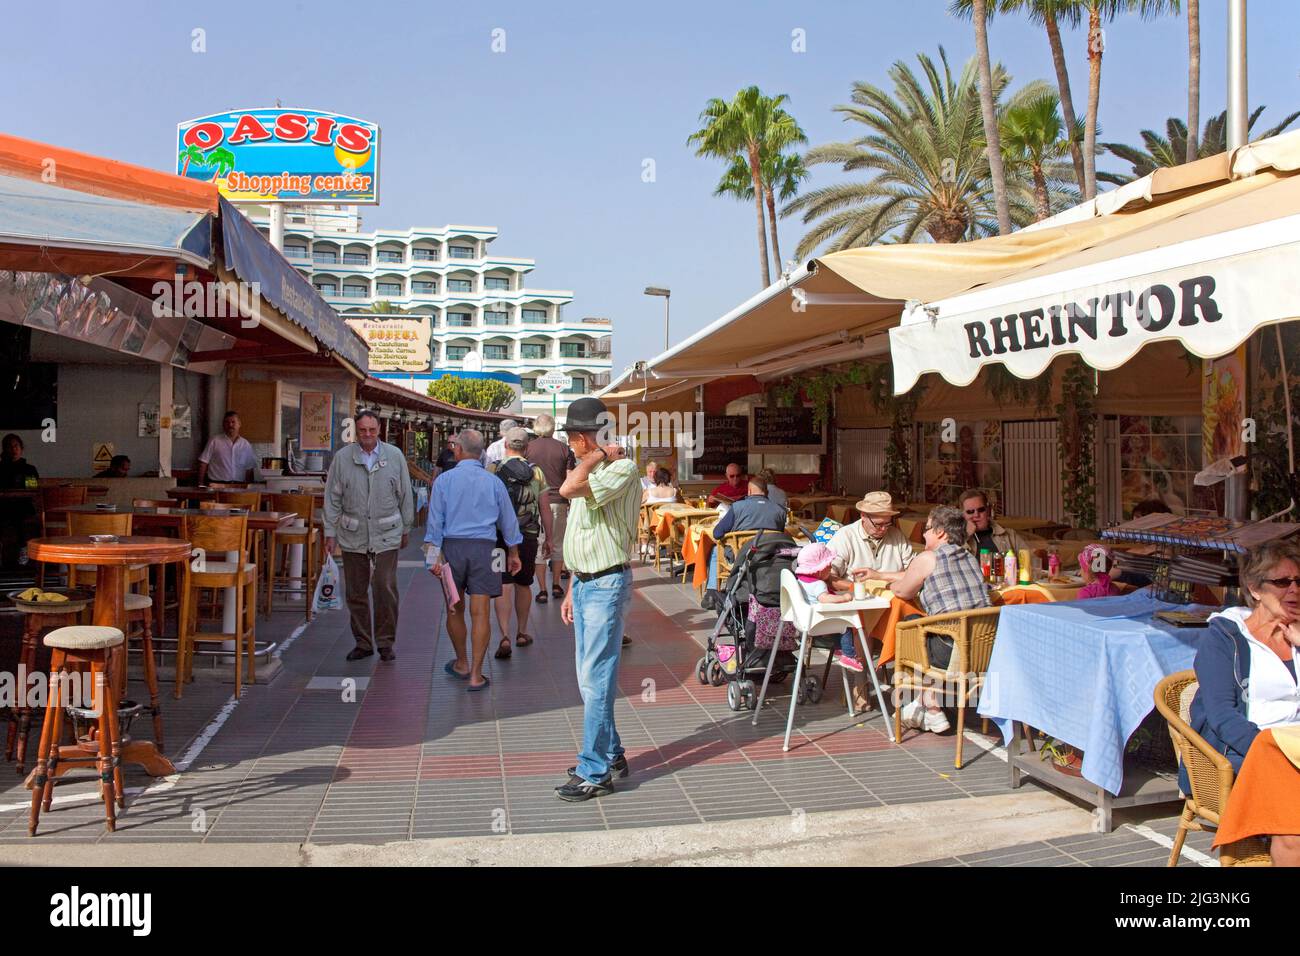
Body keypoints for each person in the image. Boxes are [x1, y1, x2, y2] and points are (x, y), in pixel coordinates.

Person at [1191, 538, 1300, 866]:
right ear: (1254, 589)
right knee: (1294, 834)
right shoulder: (1225, 638)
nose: (1294, 590)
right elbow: (1223, 716)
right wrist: (1272, 749)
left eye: (1299, 581)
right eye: (1282, 582)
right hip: (1253, 751)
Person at [555, 397, 640, 802]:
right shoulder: (596, 466)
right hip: (588, 583)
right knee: (590, 679)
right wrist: (573, 586)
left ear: (588, 437)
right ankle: (612, 753)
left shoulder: (621, 468)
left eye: (573, 439)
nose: (571, 448)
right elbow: (582, 533)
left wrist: (598, 456)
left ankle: (595, 770)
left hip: (607, 584)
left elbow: (567, 487)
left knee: (597, 679)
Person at [873, 505, 991, 734]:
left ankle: (928, 705)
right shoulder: (970, 556)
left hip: (950, 651)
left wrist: (888, 584)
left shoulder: (928, 557)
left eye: (926, 529)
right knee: (927, 628)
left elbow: (903, 592)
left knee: (909, 626)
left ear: (940, 532)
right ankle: (927, 705)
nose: (923, 534)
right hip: (983, 651)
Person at [426, 429, 522, 691]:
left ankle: (461, 662)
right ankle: (477, 675)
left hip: (452, 550)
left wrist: (432, 560)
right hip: (487, 550)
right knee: (481, 613)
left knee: (454, 608)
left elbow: (434, 526)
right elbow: (508, 522)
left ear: (457, 450)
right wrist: (513, 554)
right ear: (481, 452)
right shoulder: (494, 482)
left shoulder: (444, 481)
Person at [323, 410, 415, 664]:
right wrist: (329, 532)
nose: (367, 435)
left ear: (379, 431)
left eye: (372, 430)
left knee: (385, 587)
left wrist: (406, 527)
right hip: (353, 535)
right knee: (355, 591)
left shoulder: (394, 456)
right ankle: (363, 642)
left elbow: (406, 494)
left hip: (387, 534)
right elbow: (332, 498)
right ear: (356, 431)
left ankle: (386, 642)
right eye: (362, 430)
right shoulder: (342, 459)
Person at [488, 427, 545, 660]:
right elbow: (544, 508)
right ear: (527, 447)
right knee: (524, 582)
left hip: (498, 536)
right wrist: (549, 537)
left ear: (505, 445)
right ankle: (522, 631)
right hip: (528, 534)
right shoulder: (536, 472)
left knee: (503, 583)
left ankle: (504, 634)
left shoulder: (492, 469)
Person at [702, 476, 788, 605]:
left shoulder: (738, 507)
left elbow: (717, 533)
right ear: (766, 491)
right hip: (770, 557)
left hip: (740, 556)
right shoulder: (780, 510)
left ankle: (712, 592)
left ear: (749, 491)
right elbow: (779, 534)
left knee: (715, 550)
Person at [792, 542, 865, 673]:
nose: (831, 568)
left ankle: (839, 647)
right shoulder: (819, 584)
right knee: (847, 624)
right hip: (820, 621)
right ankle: (848, 655)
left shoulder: (801, 580)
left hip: (804, 619)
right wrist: (843, 598)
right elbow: (824, 599)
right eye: (828, 566)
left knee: (840, 624)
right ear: (819, 570)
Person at [527, 413, 575, 605]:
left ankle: (542, 589)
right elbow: (570, 478)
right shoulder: (564, 449)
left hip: (536, 503)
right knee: (557, 544)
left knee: (539, 545)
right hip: (559, 501)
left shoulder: (528, 448)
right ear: (553, 428)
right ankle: (556, 583)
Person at [826, 491, 915, 581]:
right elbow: (829, 576)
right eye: (878, 524)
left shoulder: (897, 536)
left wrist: (879, 576)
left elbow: (915, 573)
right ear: (863, 516)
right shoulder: (845, 536)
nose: (884, 529)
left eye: (887, 524)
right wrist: (857, 588)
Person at [0, 434, 39, 569]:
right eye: (9, 447)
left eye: (16, 446)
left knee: (20, 516)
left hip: (23, 505)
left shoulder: (29, 469)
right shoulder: (1, 468)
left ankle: (23, 549)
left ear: (21, 448)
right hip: (3, 506)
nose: (13, 449)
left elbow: (32, 489)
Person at [959, 488, 1027, 560]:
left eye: (981, 510)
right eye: (970, 512)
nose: (976, 515)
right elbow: (953, 564)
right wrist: (966, 537)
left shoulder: (1009, 536)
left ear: (988, 511)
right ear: (962, 515)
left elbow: (1030, 561)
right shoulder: (954, 539)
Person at [198, 411, 257, 485]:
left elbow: (249, 468)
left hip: (238, 486)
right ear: (223, 425)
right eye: (227, 422)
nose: (230, 425)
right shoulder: (214, 441)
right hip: (216, 485)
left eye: (233, 422)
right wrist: (200, 484)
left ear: (239, 424)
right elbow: (203, 463)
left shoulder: (245, 444)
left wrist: (249, 489)